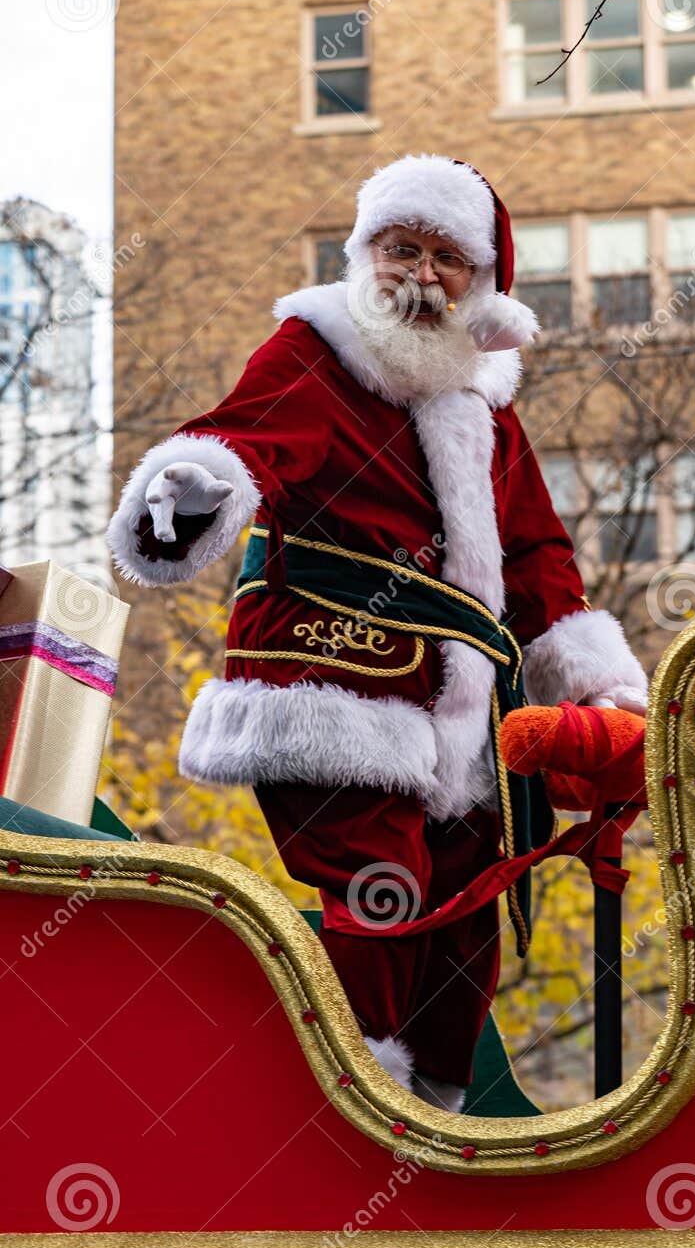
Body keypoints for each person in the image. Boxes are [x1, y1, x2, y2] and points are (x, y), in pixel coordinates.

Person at [107, 153, 646, 1111]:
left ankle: (432, 1119)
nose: (420, 274)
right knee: (378, 884)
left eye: (446, 258)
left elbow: (536, 554)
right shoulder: (314, 351)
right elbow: (244, 440)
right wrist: (192, 489)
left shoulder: (486, 404)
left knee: (464, 920)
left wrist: (595, 684)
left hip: (464, 704)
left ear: (479, 283)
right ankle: (355, 1109)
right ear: (365, 255)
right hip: (332, 679)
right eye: (400, 249)